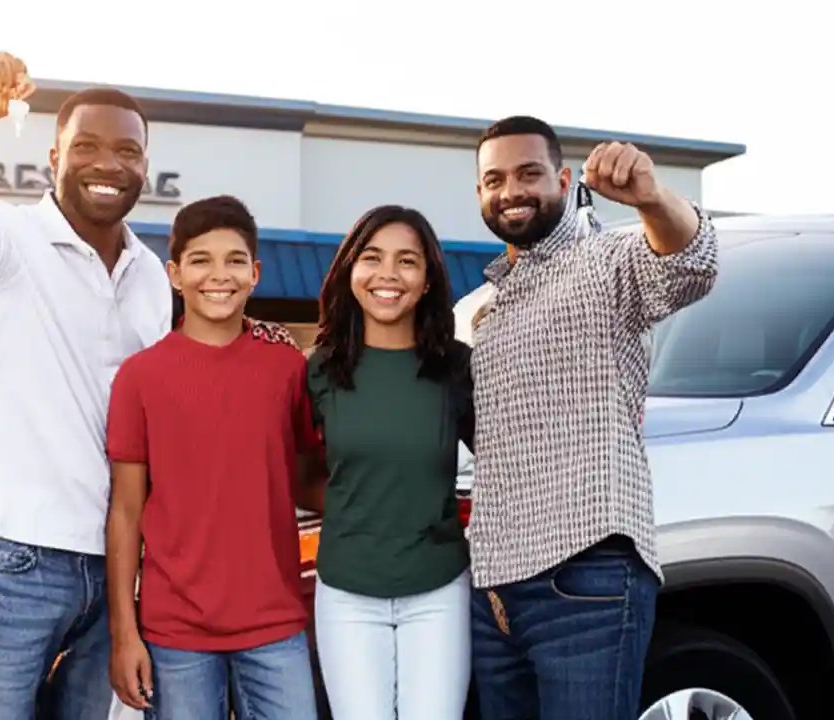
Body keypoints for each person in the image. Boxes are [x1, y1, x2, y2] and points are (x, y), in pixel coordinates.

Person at [0, 51, 172, 719]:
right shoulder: (8, 244)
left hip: (114, 565)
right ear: (52, 159)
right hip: (9, 555)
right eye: (85, 146)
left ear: (145, 166)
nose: (108, 163)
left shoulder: (151, 275)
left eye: (127, 150)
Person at [466, 115, 719, 720]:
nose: (510, 192)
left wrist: (652, 198)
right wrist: (490, 580)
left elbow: (691, 264)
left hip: (588, 579)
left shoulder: (605, 259)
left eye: (529, 174)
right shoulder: (486, 308)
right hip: (496, 594)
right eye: (493, 180)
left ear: (562, 178)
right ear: (479, 195)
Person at [104, 195, 320, 720]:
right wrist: (123, 634)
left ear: (255, 273)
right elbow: (126, 513)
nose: (218, 275)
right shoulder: (140, 377)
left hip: (276, 625)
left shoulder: (287, 368)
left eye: (234, 260)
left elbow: (307, 478)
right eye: (200, 260)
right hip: (176, 632)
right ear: (175, 274)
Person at [303, 204, 475, 719]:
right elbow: (296, 473)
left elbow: (509, 462)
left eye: (407, 261)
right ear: (350, 271)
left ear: (426, 280)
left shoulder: (456, 367)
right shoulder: (321, 370)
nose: (388, 275)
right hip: (347, 592)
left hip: (438, 589)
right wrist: (363, 511)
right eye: (372, 258)